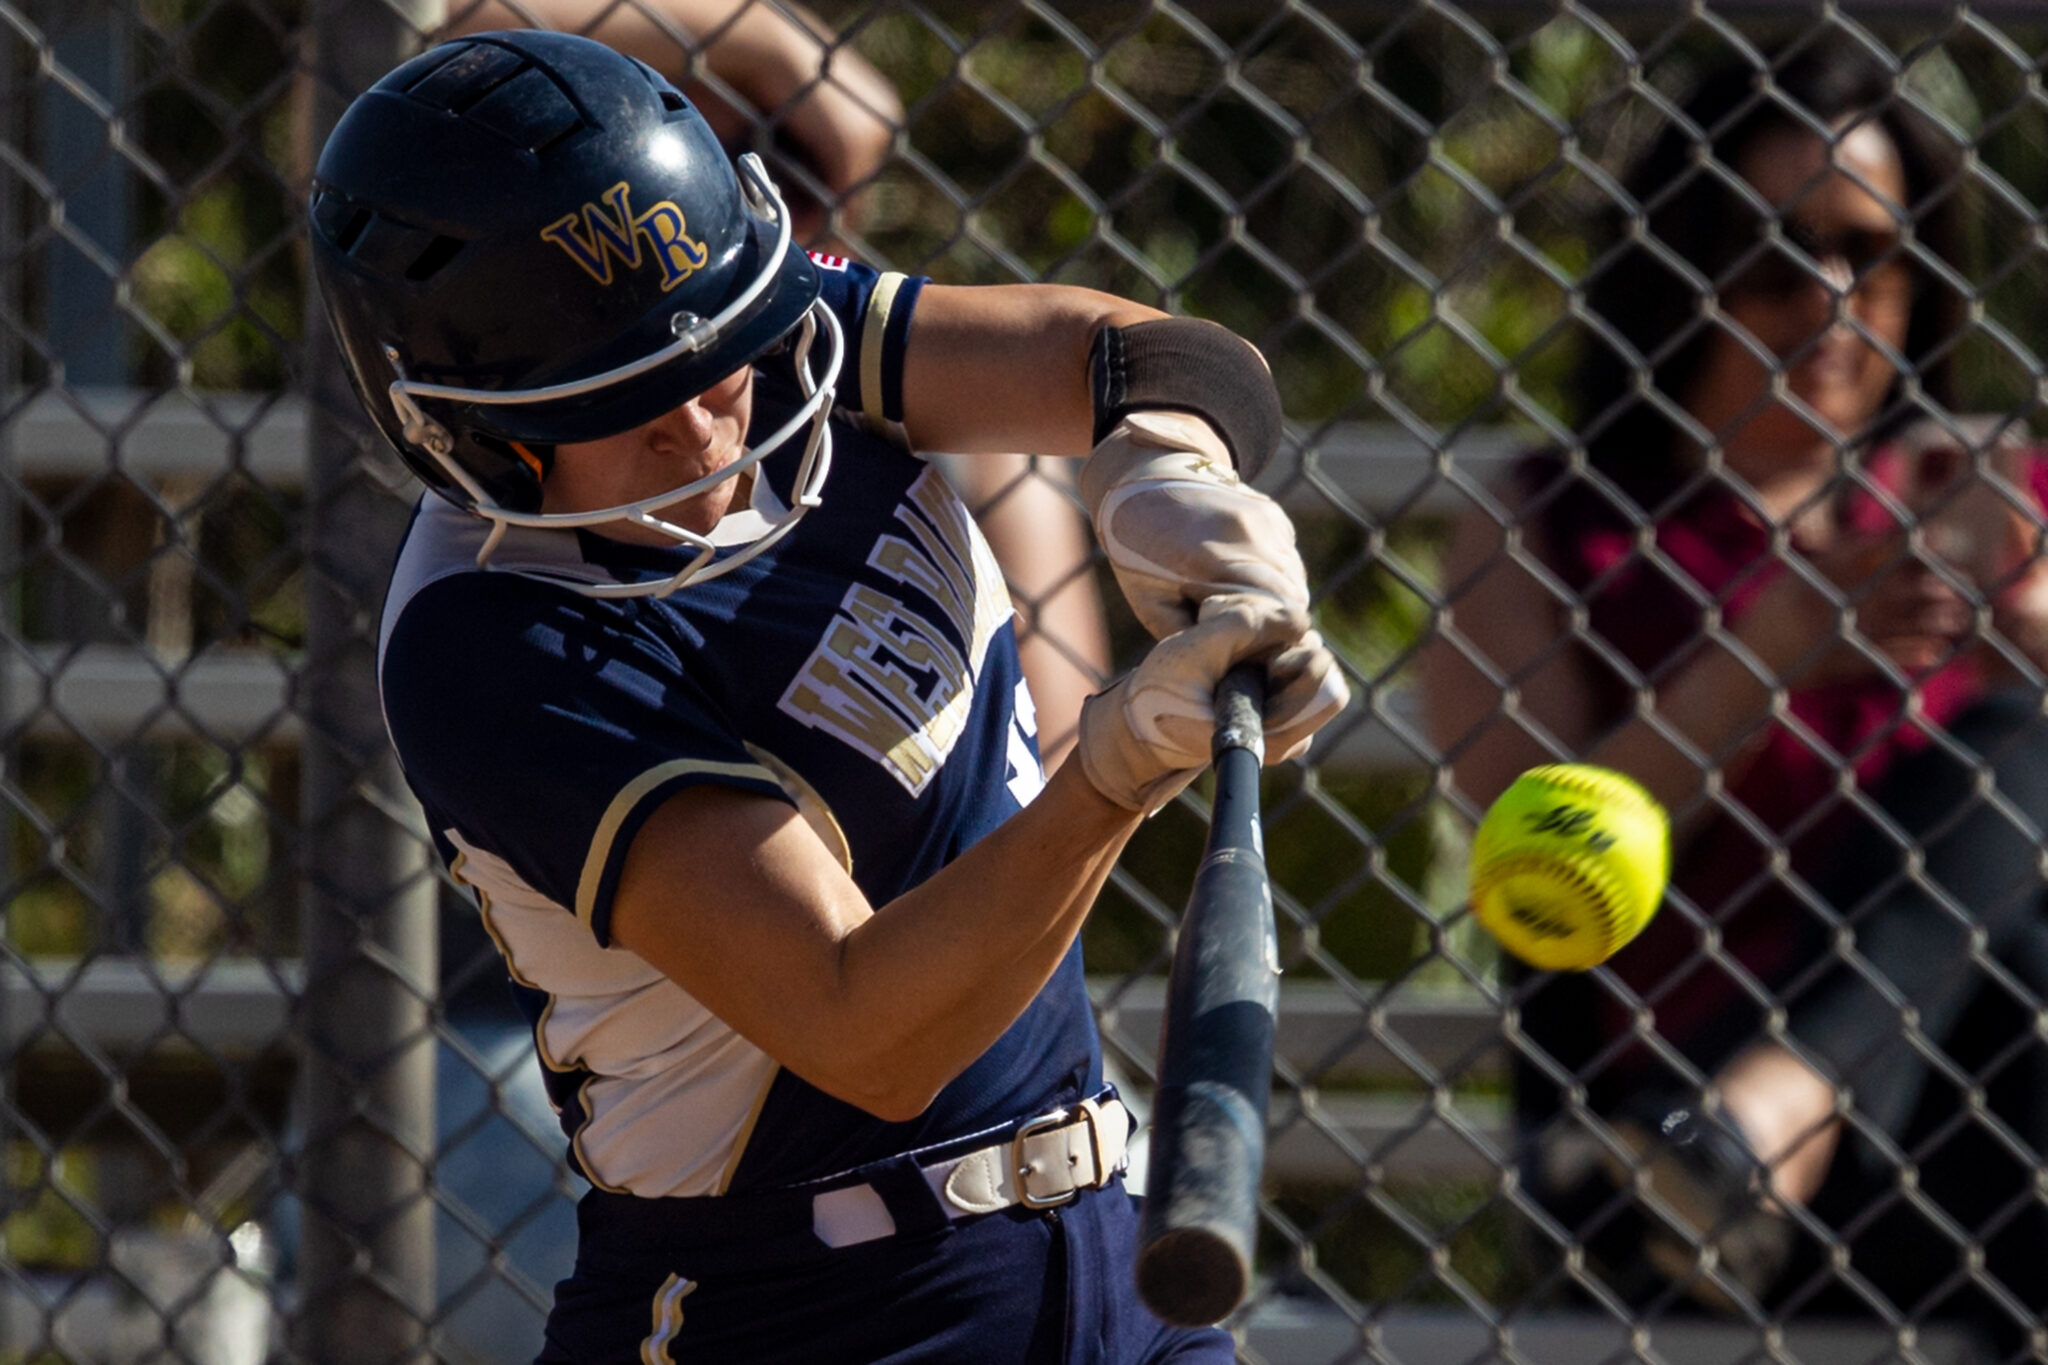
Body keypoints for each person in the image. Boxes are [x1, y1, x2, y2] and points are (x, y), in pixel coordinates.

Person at [308, 28, 1346, 1365]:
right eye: (623, 402)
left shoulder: (778, 339)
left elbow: (1144, 356)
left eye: (714, 360)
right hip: (796, 1309)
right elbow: (867, 1026)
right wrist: (1119, 774)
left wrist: (1164, 471)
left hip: (1107, 1255)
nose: (700, 426)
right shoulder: (492, 638)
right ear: (463, 424)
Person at [1422, 37, 2048, 1343]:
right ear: (1681, 268)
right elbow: (1526, 859)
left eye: (1872, 254)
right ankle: (1745, 1121)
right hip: (1653, 1137)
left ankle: (1783, 1103)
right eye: (1774, 256)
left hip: (1973, 1105)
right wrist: (1775, 644)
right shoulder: (1545, 524)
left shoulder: (1974, 495)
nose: (1829, 300)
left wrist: (2015, 616)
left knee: (2018, 735)